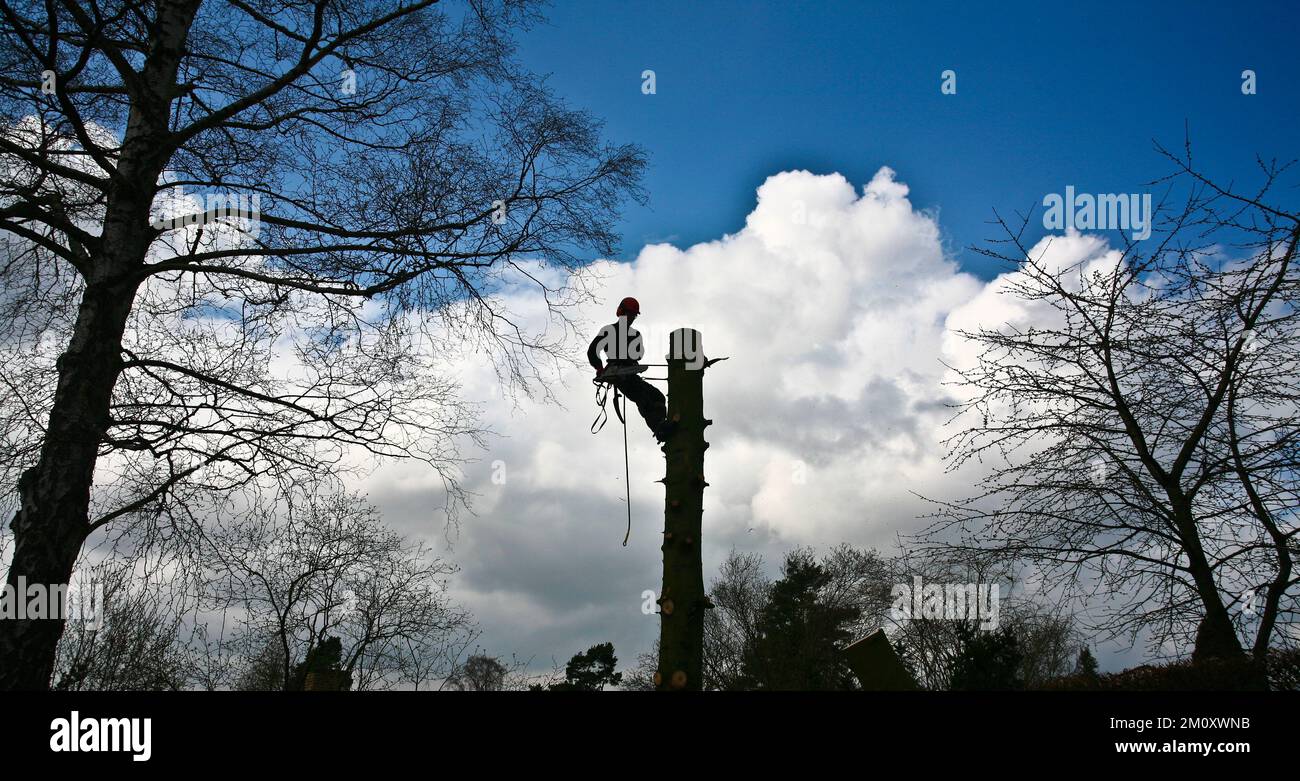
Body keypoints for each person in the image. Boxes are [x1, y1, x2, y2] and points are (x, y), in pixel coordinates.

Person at [587, 297, 673, 442]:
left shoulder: (635, 335)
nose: (631, 318)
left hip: (630, 373)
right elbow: (592, 351)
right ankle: (659, 428)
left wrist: (631, 360)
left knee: (658, 396)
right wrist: (599, 368)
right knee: (643, 398)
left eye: (634, 315)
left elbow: (637, 354)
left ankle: (663, 424)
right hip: (618, 374)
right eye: (629, 314)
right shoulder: (609, 331)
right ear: (621, 312)